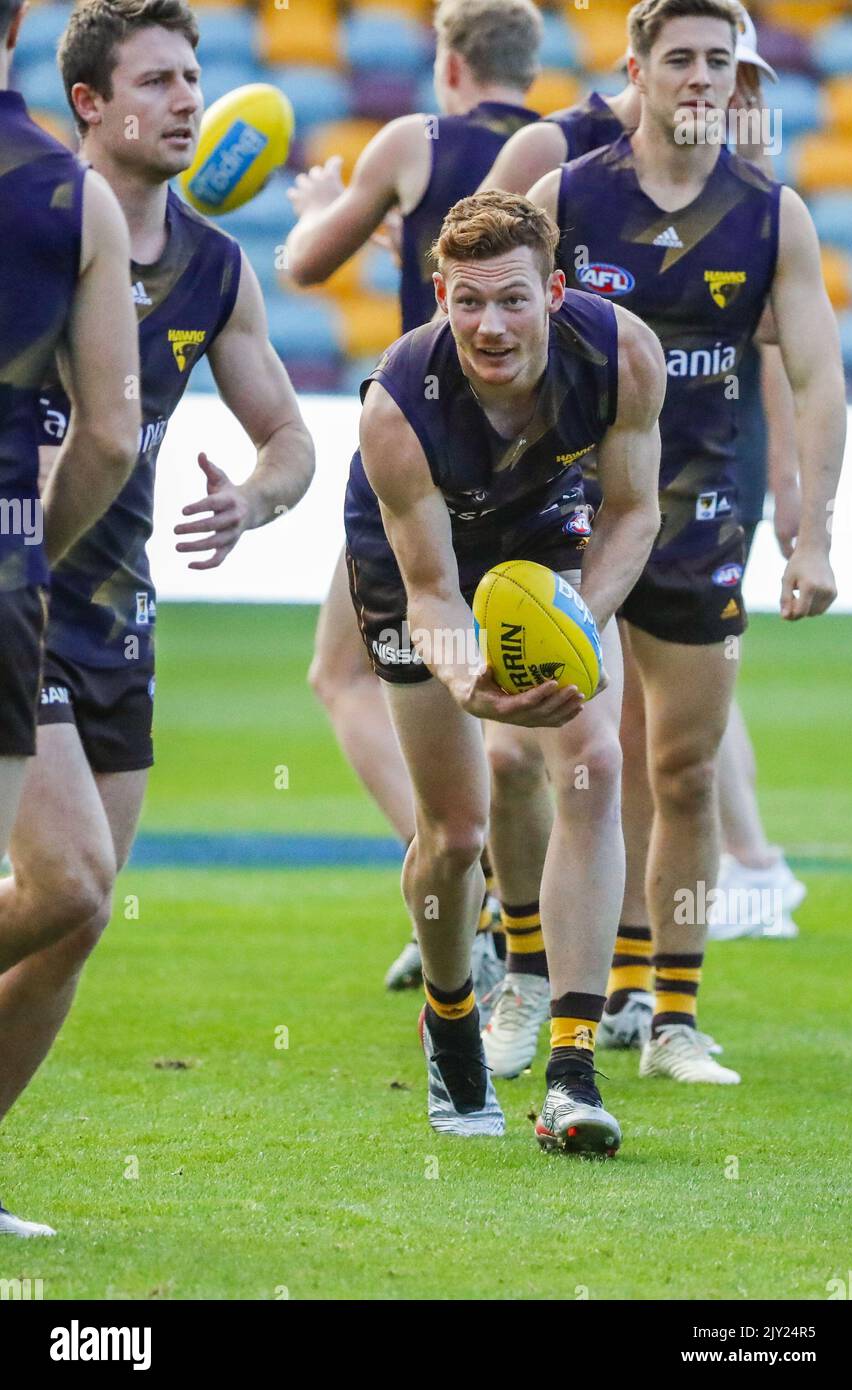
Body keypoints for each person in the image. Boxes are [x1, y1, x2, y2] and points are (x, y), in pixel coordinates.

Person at [0, 0, 314, 1237]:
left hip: (118, 624)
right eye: (160, 80)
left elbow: (288, 436)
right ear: (88, 101)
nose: (191, 99)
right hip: (27, 598)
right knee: (71, 885)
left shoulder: (214, 263)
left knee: (74, 929)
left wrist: (250, 500)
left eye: (195, 77)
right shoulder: (33, 220)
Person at [477, 3, 804, 1089]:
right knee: (548, 760)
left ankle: (668, 1017)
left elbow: (812, 376)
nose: (701, 77)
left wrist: (812, 524)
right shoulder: (566, 195)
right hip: (566, 514)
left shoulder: (770, 214)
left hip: (703, 516)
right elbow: (493, 328)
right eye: (680, 59)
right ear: (636, 72)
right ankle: (526, 970)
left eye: (720, 59)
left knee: (684, 769)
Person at [345, 190, 665, 1152]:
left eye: (514, 301)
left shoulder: (621, 356)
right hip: (415, 558)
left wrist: (577, 621)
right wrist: (468, 683)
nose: (491, 325)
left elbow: (633, 514)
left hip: (541, 536)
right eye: (469, 301)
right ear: (439, 294)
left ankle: (571, 1067)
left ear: (555, 292)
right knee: (453, 828)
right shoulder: (396, 408)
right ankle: (452, 1024)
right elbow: (434, 593)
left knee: (595, 764)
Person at [285, 0, 544, 994]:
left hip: (414, 451)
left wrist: (319, 210)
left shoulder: (413, 139)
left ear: (446, 62)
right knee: (521, 710)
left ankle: (456, 876)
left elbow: (306, 265)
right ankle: (518, 915)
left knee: (344, 674)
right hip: (530, 458)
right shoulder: (552, 152)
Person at [0, 0, 141, 1237]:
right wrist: (22, 556)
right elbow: (110, 428)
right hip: (4, 571)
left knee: (76, 888)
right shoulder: (68, 196)